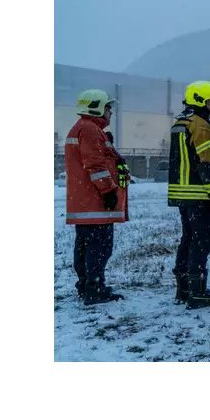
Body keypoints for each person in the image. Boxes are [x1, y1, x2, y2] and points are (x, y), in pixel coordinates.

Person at [168, 80, 210, 310]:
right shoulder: (201, 126)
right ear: (202, 101)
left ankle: (183, 288)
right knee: (201, 243)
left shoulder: (180, 123)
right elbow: (207, 164)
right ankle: (198, 292)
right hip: (200, 195)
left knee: (187, 240)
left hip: (183, 195)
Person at [65, 89, 128, 305]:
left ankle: (87, 285)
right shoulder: (90, 130)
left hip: (85, 202)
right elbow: (96, 165)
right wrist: (108, 191)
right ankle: (94, 287)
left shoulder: (83, 128)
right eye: (108, 107)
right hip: (95, 202)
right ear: (97, 107)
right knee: (99, 247)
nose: (110, 112)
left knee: (86, 246)